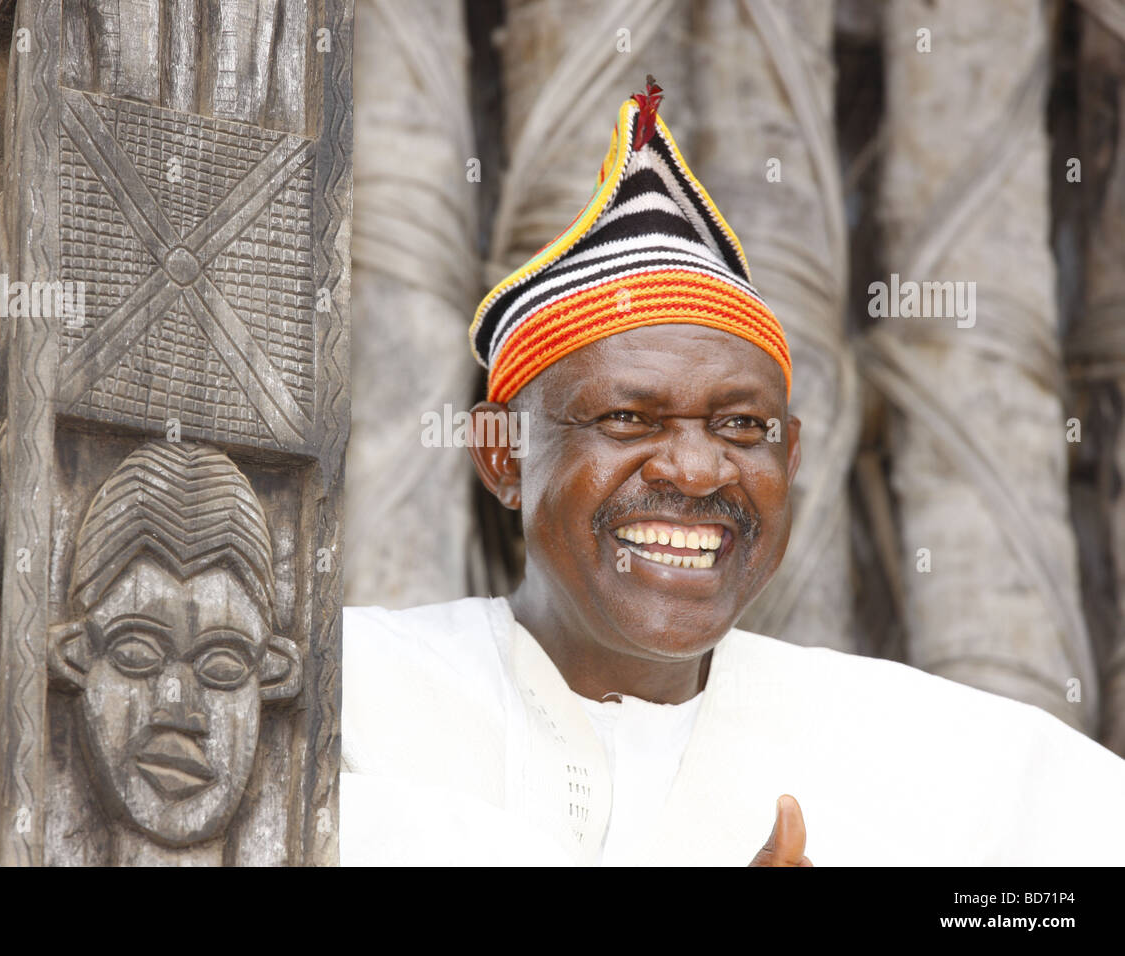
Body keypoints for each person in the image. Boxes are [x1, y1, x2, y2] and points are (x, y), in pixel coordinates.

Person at [338, 77, 1125, 865]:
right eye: (628, 419)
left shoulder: (932, 752)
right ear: (504, 455)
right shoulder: (354, 692)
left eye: (742, 426)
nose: (696, 469)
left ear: (792, 458)